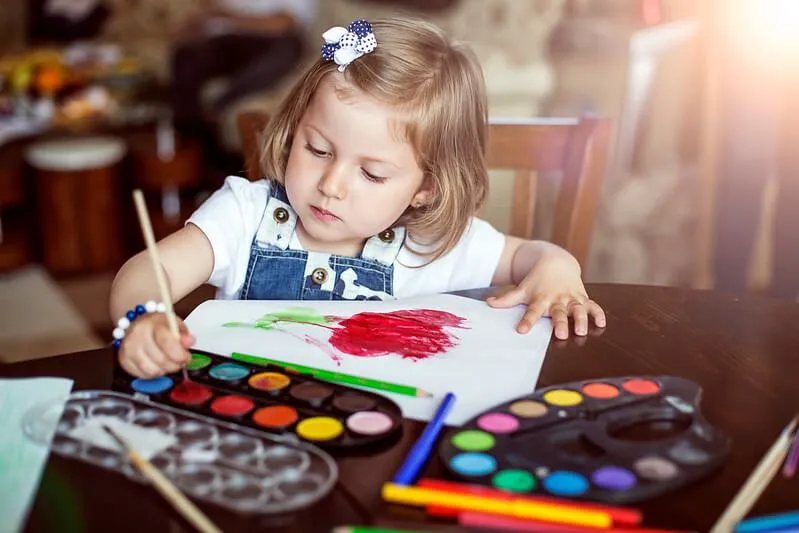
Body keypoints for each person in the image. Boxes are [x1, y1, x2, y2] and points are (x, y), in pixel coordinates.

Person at [110, 17, 607, 379]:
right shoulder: (247, 213)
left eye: (371, 173)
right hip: (251, 420)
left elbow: (530, 256)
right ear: (295, 126)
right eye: (318, 149)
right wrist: (143, 318)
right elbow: (147, 270)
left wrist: (558, 269)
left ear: (425, 187)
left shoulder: (429, 245)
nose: (332, 184)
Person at [169, 0, 317, 126]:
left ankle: (222, 102)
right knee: (185, 55)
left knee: (287, 48)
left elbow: (283, 23)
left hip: (272, 39)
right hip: (228, 40)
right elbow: (209, 13)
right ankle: (187, 136)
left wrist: (232, 18)